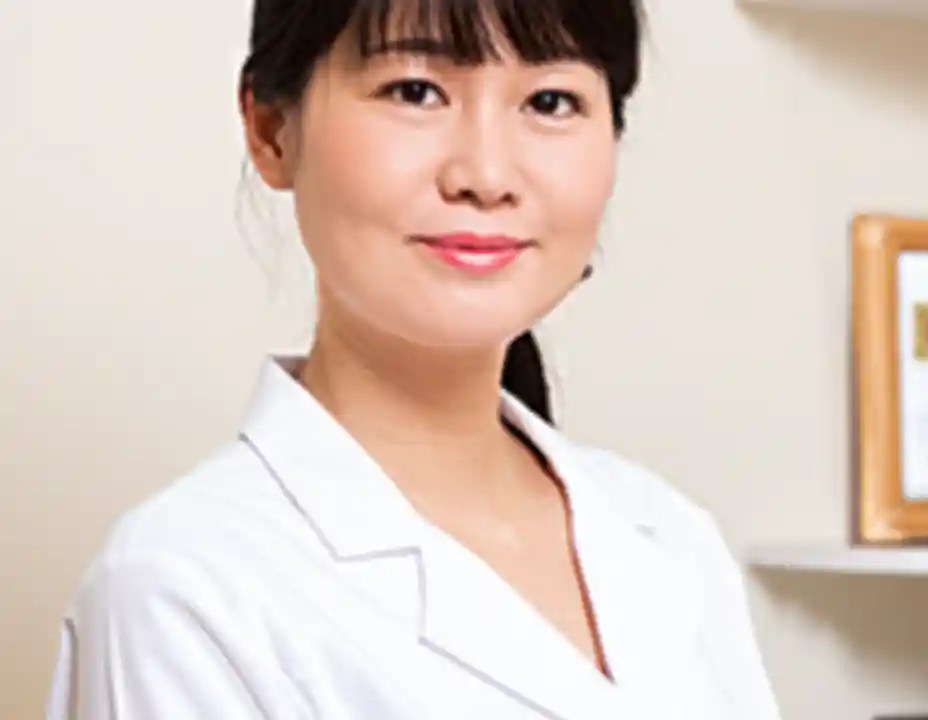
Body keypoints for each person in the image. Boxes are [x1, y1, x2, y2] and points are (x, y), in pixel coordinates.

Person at [44, 0, 782, 718]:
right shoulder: (182, 592)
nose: (486, 175)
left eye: (550, 101)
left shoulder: (671, 537)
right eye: (415, 91)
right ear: (271, 130)